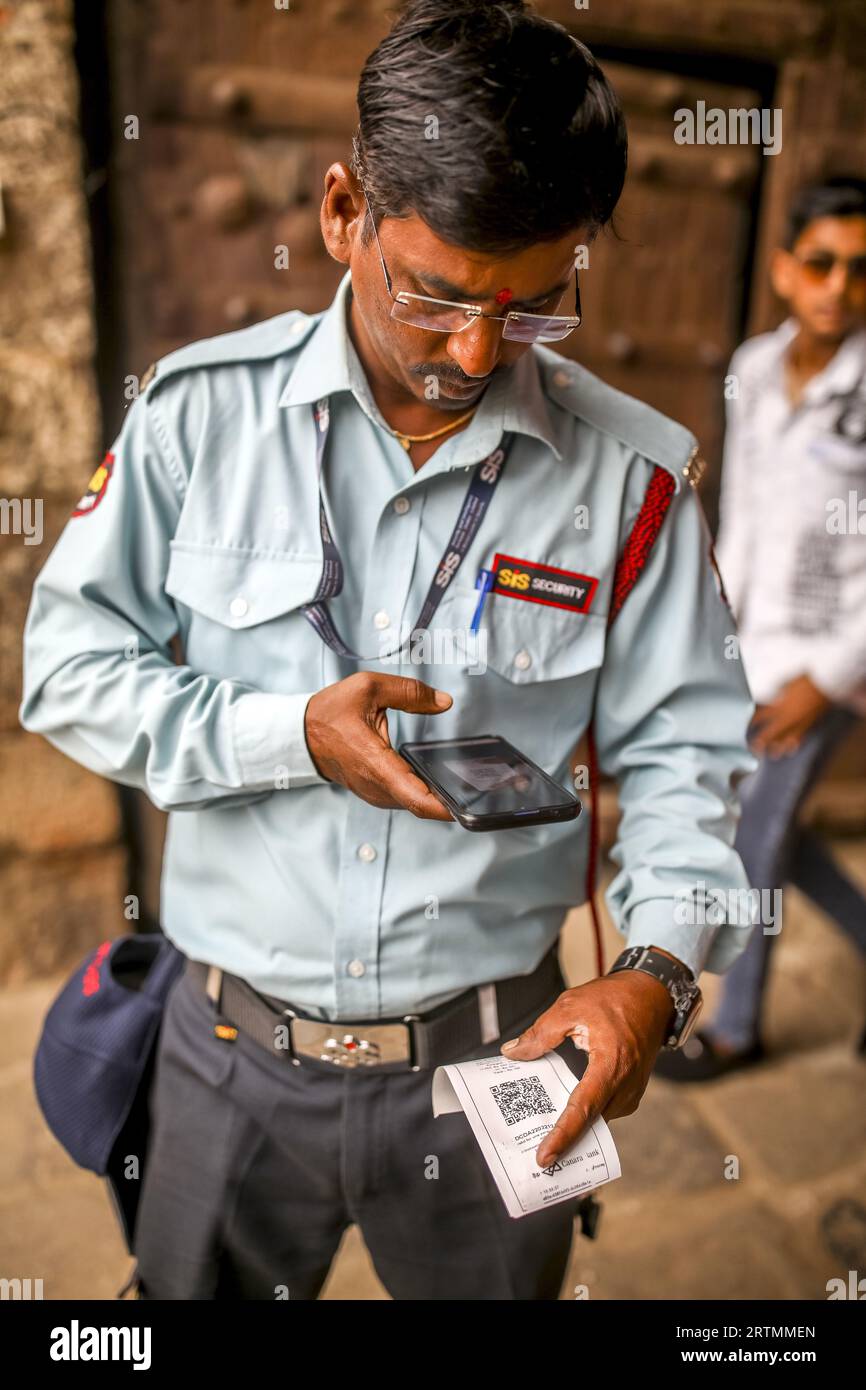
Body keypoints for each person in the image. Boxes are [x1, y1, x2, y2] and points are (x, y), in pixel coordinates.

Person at [20, 0, 756, 1299]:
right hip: (225, 1055)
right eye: (439, 296)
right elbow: (65, 671)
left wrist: (652, 974)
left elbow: (689, 755)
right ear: (343, 210)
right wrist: (286, 734)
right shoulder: (195, 422)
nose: (477, 354)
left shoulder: (636, 480)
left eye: (535, 306)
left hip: (496, 1064)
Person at [655, 177, 866, 1084]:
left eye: (860, 270)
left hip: (833, 665)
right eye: (819, 263)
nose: (837, 287)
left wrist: (827, 678)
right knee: (772, 834)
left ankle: (735, 1029)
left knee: (749, 844)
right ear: (784, 270)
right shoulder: (751, 367)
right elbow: (739, 515)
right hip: (754, 651)